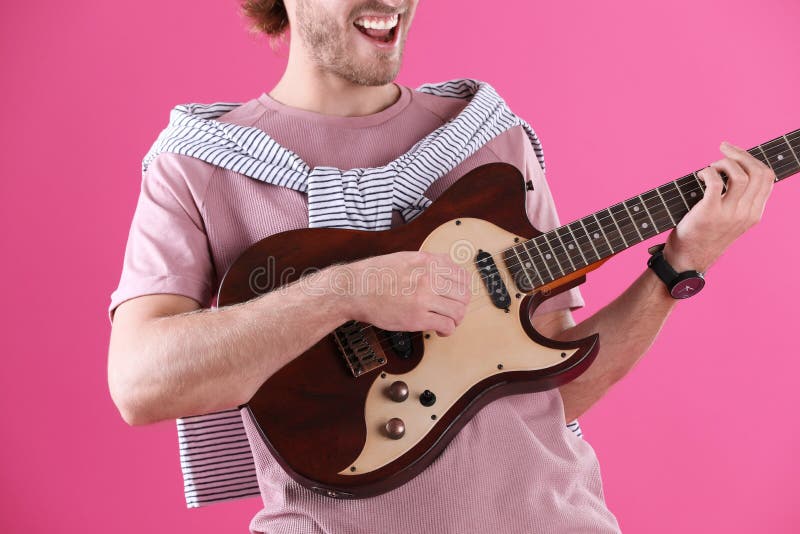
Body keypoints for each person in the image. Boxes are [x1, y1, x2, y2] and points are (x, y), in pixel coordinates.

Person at [107, 0, 775, 532]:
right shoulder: (199, 166)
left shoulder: (490, 140)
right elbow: (141, 383)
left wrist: (682, 262)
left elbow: (551, 388)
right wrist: (348, 291)